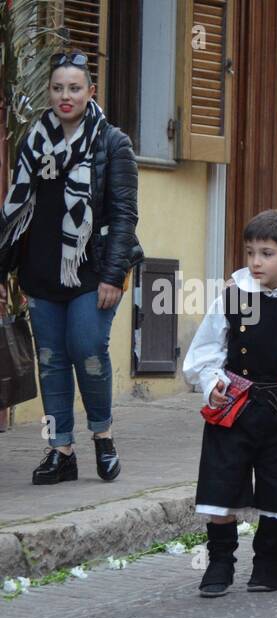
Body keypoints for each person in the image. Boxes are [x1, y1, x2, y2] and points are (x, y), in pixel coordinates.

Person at [0, 49, 142, 485]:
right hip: (40, 271)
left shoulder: (112, 142)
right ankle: (59, 449)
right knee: (50, 360)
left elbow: (124, 214)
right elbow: (16, 209)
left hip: (93, 270)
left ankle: (103, 435)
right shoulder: (33, 141)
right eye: (58, 88)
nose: (66, 96)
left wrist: (114, 274)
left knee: (86, 348)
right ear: (50, 92)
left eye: (74, 88)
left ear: (90, 92)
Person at [183, 210, 277, 597]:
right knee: (221, 484)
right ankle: (219, 563)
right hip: (232, 406)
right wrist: (212, 383)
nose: (255, 261)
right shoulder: (233, 296)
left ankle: (268, 564)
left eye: (266, 253)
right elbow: (206, 350)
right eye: (250, 252)